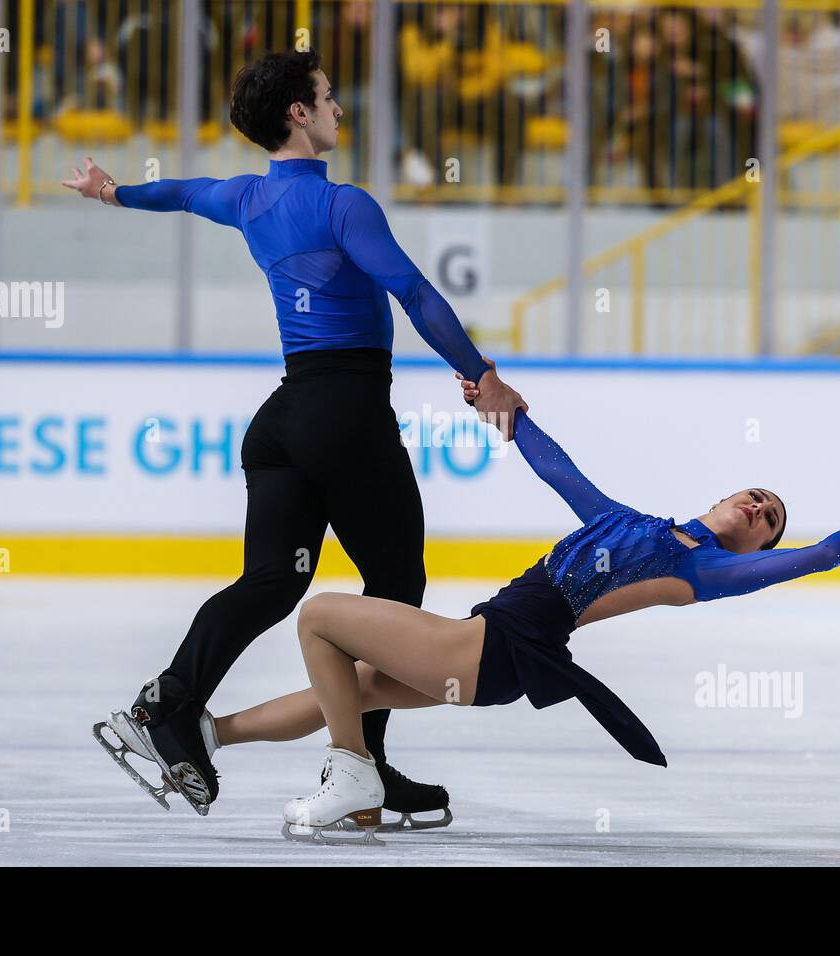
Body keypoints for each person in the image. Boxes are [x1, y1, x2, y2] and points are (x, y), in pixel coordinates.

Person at [64, 49, 526, 826]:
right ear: (298, 115)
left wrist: (113, 192)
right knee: (395, 592)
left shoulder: (245, 199)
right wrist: (484, 377)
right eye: (329, 97)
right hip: (346, 414)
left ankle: (167, 706)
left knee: (271, 583)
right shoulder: (345, 206)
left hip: (282, 423)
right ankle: (362, 772)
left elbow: (181, 193)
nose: (341, 109)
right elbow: (413, 291)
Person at [202, 379, 840, 844]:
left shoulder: (706, 569)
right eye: (758, 495)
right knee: (356, 689)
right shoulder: (634, 523)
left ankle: (353, 776)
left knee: (321, 617)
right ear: (732, 491)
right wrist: (508, 416)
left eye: (770, 519)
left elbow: (811, 560)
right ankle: (208, 737)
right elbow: (559, 471)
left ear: (756, 543)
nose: (759, 507)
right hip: (491, 650)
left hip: (494, 647)